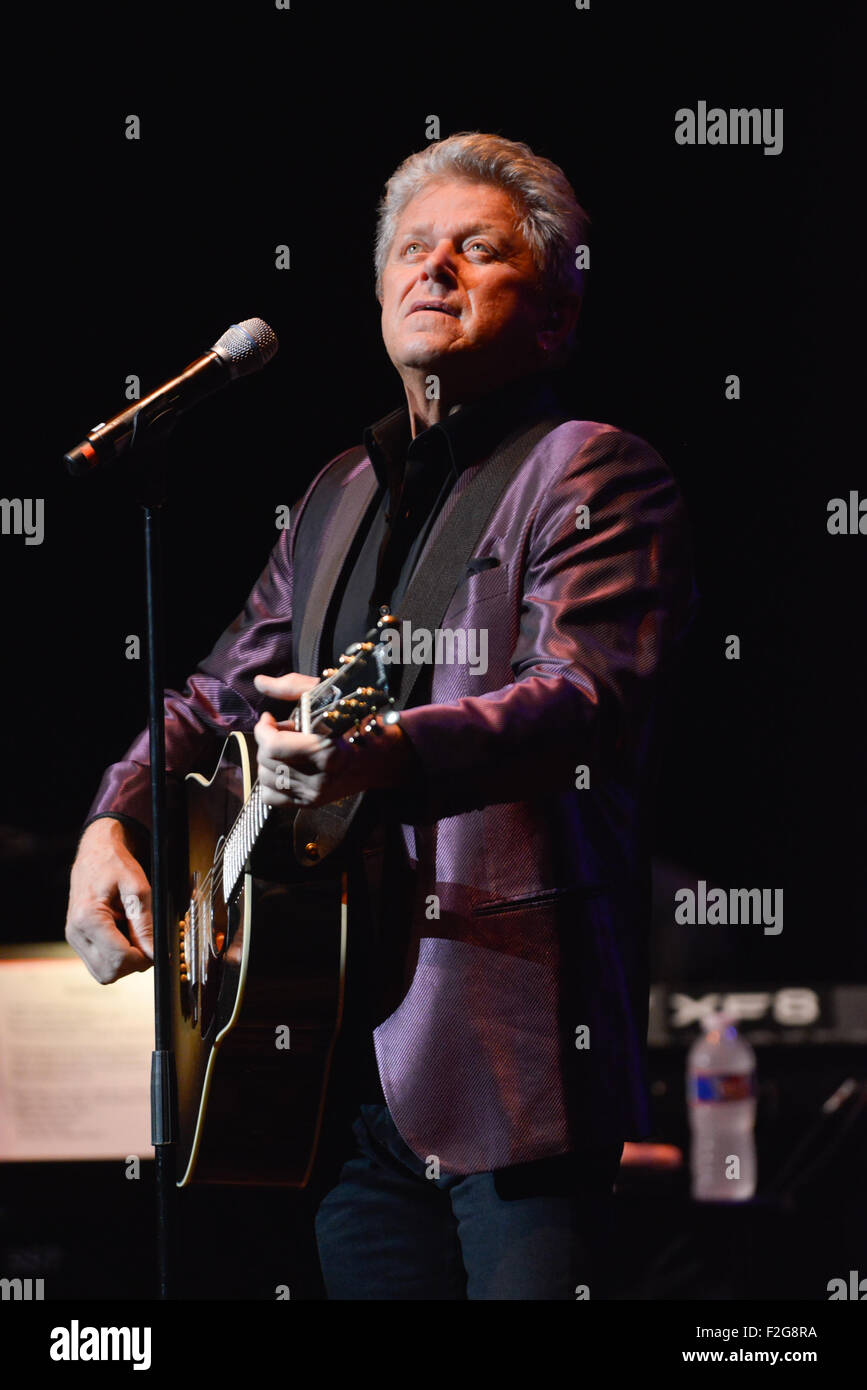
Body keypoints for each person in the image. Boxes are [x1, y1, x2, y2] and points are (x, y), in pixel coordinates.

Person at [65, 131, 696, 1300]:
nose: (434, 269)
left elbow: (583, 698)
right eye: (413, 249)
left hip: (512, 1060)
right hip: (335, 1073)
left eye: (477, 249)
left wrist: (384, 750)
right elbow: (214, 696)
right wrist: (113, 816)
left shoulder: (590, 471)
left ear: (555, 314)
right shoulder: (336, 495)